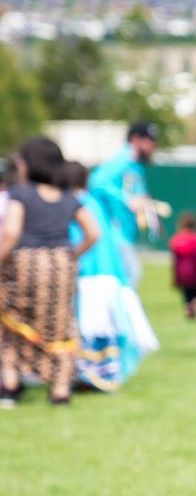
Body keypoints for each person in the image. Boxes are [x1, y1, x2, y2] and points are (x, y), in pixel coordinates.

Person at [0, 138, 101, 407]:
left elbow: (11, 233)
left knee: (10, 323)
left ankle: (10, 387)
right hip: (61, 264)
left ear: (31, 163)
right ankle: (60, 391)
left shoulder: (22, 194)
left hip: (26, 263)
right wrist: (72, 256)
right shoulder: (68, 196)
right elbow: (94, 232)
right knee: (61, 325)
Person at [65, 161, 159, 392]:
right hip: (110, 276)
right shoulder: (95, 204)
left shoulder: (74, 205)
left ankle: (90, 375)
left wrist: (72, 259)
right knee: (107, 330)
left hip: (88, 274)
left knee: (90, 328)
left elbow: (84, 237)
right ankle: (106, 374)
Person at [88, 121, 162, 286]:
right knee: (131, 275)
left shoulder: (136, 166)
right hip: (114, 232)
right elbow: (96, 182)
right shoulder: (122, 160)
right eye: (149, 141)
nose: (153, 146)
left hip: (126, 234)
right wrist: (126, 199)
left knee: (129, 277)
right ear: (136, 139)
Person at [169, 213, 196, 320]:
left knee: (187, 293)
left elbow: (174, 258)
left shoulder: (177, 239)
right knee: (194, 292)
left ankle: (189, 308)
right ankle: (192, 308)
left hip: (182, 273)